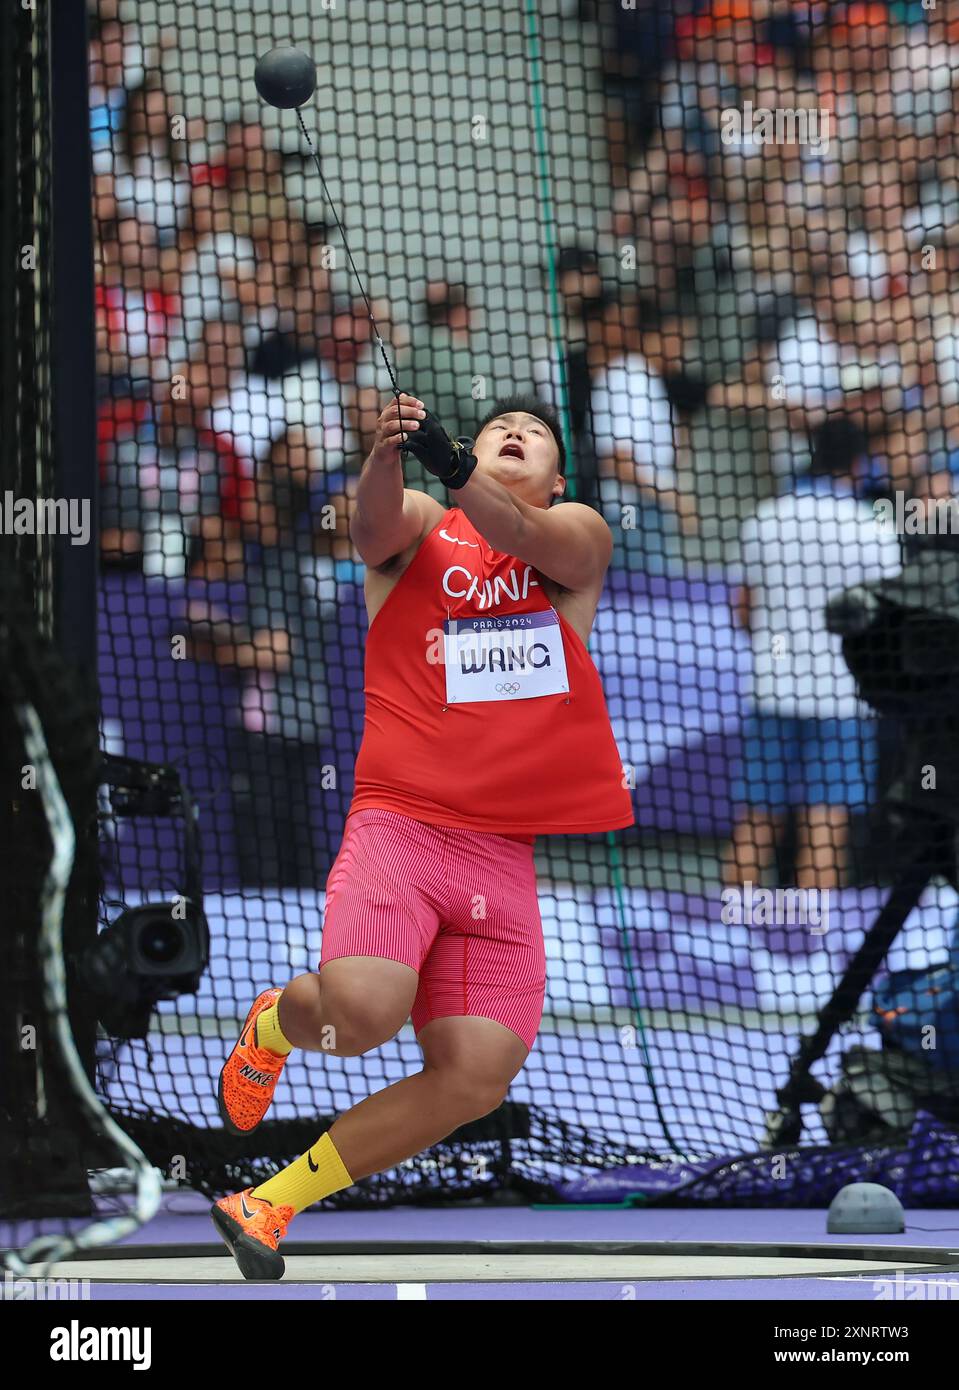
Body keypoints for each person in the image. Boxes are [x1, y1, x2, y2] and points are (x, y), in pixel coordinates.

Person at [212, 392, 634, 1278]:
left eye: (534, 435)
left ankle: (269, 1202)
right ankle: (277, 1024)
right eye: (499, 428)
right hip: (400, 823)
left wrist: (456, 461)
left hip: (500, 855)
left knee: (477, 1074)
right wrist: (384, 458)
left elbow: (522, 531)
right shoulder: (421, 523)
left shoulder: (578, 537)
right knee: (362, 1017)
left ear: (558, 479)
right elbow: (368, 530)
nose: (514, 434)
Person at [725, 416, 901, 891]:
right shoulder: (874, 530)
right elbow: (883, 623)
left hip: (772, 688)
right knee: (827, 817)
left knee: (758, 816)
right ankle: (816, 931)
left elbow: (744, 611)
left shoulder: (766, 518)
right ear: (859, 463)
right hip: (841, 695)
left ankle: (729, 925)